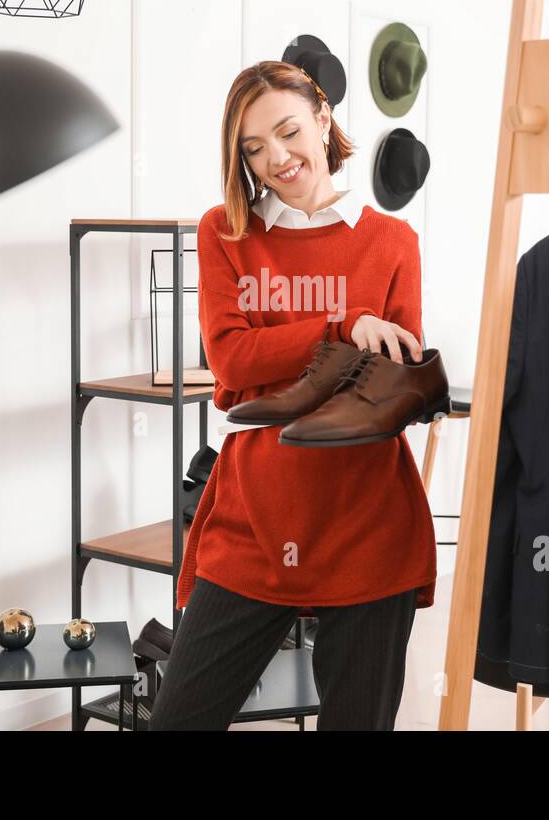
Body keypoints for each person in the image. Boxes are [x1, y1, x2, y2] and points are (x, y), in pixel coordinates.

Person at [149, 61, 437, 730]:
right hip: (254, 520)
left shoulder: (392, 243)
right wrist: (340, 331)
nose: (275, 157)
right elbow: (231, 360)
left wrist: (294, 353)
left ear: (323, 120)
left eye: (286, 132)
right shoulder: (226, 233)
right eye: (253, 148)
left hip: (367, 525)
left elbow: (390, 390)